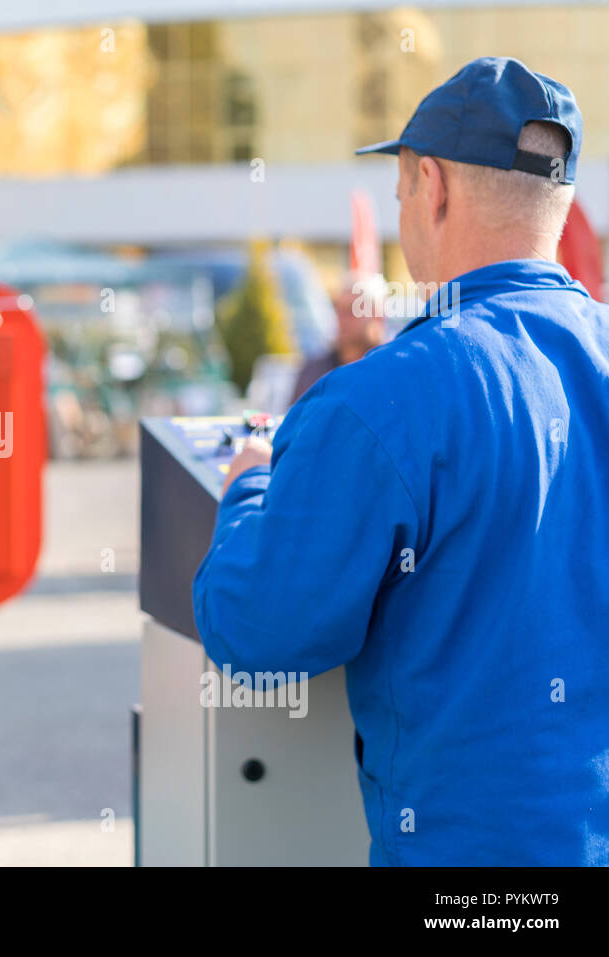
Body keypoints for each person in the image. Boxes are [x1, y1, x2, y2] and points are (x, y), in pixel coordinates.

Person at [193, 57, 609, 865]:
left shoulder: (380, 400)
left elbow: (261, 628)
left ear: (434, 185)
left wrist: (247, 484)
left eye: (401, 197)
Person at [289, 275, 386, 406]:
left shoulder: (389, 371)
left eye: (352, 310)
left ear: (377, 316)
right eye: (339, 310)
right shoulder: (314, 372)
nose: (342, 319)